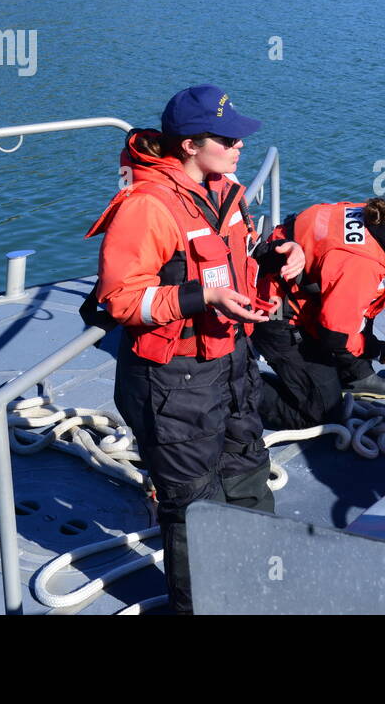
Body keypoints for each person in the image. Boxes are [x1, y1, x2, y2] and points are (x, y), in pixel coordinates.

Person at [83, 84, 303, 613]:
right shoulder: (146, 207)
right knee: (192, 515)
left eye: (239, 137)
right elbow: (119, 300)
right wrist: (201, 295)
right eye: (227, 139)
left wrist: (280, 253)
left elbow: (244, 249)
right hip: (172, 384)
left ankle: (259, 589)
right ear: (188, 145)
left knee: (247, 476)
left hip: (232, 368)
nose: (239, 147)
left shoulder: (226, 190)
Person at [251, 188, 385, 431]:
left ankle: (355, 375)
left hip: (287, 289)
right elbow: (334, 336)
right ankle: (234, 390)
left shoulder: (370, 216)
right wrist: (383, 350)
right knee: (322, 411)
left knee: (366, 300)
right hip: (276, 317)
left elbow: (369, 265)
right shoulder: (361, 265)